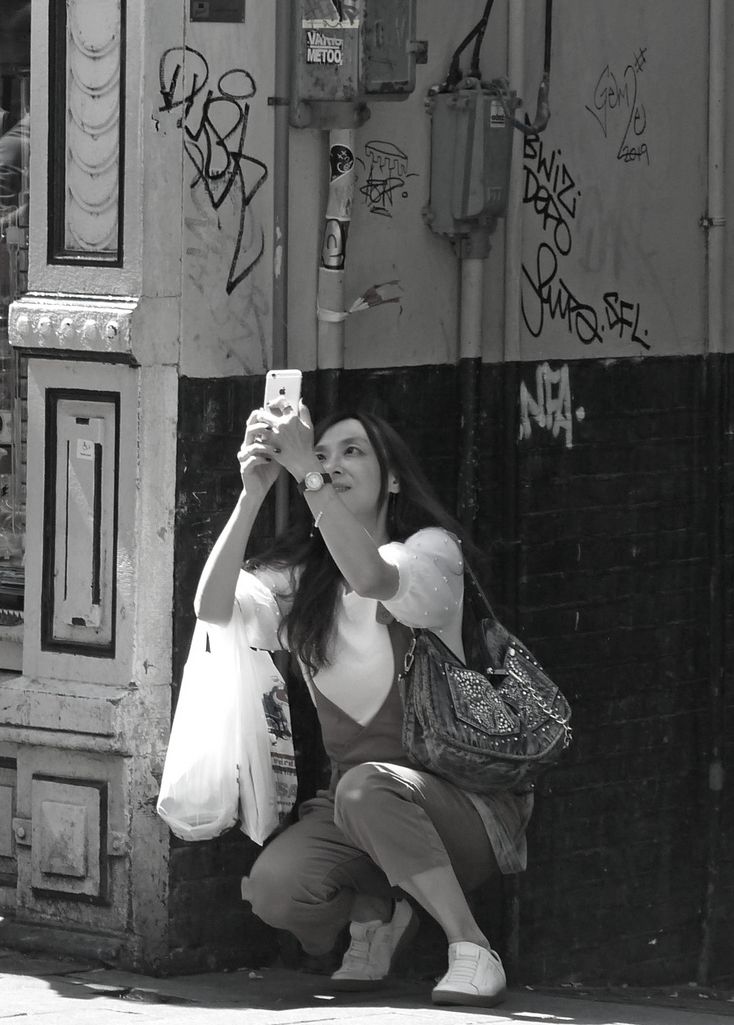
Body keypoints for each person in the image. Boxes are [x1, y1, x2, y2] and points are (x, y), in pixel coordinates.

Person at [192, 399, 533, 1007]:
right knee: (276, 890)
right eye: (320, 454)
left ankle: (472, 946)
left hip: (465, 806)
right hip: (356, 807)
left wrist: (310, 478)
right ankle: (380, 909)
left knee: (365, 789)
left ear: (393, 478)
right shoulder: (301, 578)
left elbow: (376, 579)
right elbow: (211, 609)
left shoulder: (431, 551)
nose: (332, 465)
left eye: (353, 452)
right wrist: (252, 494)